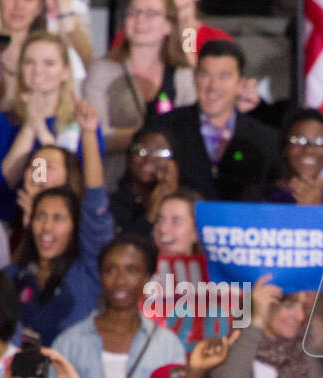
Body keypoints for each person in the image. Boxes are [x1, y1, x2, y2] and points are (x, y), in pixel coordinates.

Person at [7, 100, 110, 346]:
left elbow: (95, 201)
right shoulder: (16, 267)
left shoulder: (87, 263)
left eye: (47, 167)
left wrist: (88, 135)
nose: (38, 174)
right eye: (34, 166)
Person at [50, 234, 187, 378]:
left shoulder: (167, 346)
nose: (120, 281)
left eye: (131, 270)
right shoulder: (68, 343)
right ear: (100, 276)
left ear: (147, 279)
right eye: (110, 270)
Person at [137, 39, 281, 201]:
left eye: (223, 76)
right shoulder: (162, 129)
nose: (213, 86)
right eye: (205, 75)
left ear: (240, 84)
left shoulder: (265, 140)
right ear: (194, 78)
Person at [0, 32, 104, 223]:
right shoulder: (1, 123)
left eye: (49, 63)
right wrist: (29, 127)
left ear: (65, 71)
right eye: (29, 62)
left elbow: (77, 186)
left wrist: (40, 128)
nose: (37, 71)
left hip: (63, 227)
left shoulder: (83, 123)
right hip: (7, 223)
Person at [81, 0, 193, 191]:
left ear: (169, 25)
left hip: (171, 186)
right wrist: (146, 139)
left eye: (150, 13)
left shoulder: (184, 75)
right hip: (113, 183)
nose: (140, 19)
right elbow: (96, 136)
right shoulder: (102, 71)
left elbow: (191, 137)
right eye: (133, 13)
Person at [108, 128, 178, 236]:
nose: (149, 159)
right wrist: (156, 203)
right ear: (129, 155)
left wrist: (172, 196)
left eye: (161, 153)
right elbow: (127, 248)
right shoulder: (111, 203)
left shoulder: (186, 202)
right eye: (142, 151)